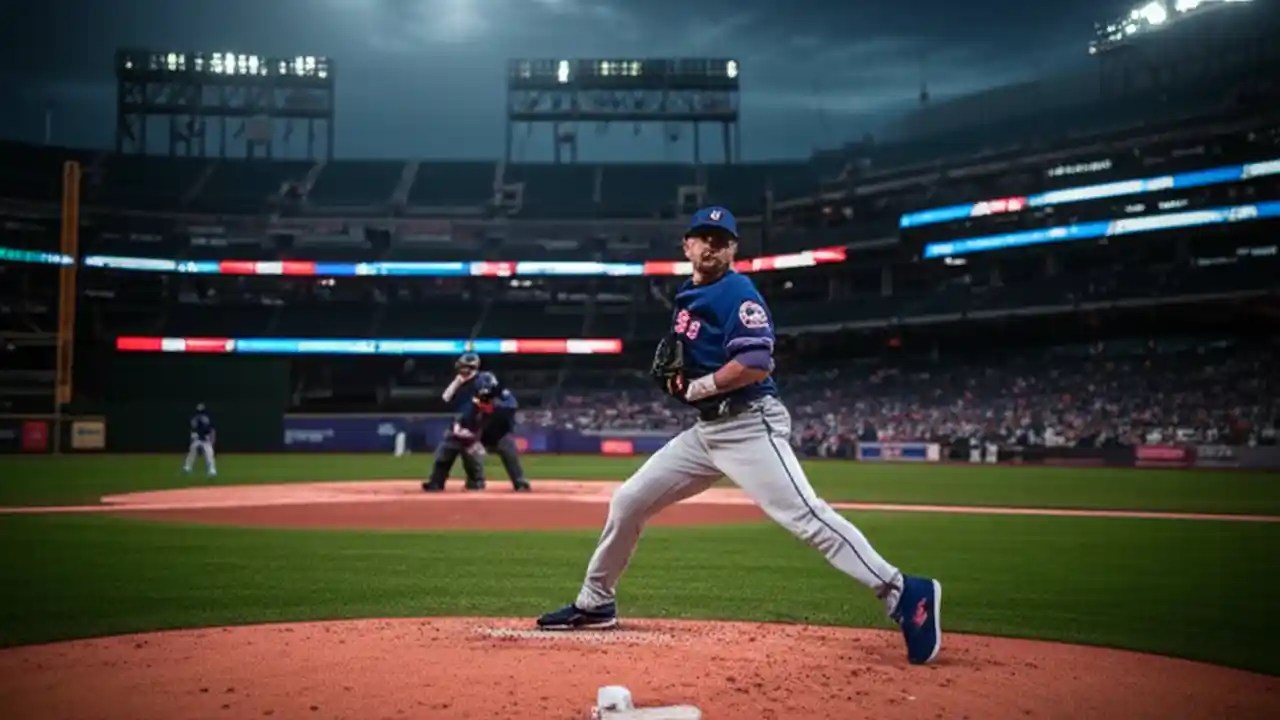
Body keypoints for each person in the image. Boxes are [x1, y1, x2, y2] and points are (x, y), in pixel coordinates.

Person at [535, 206, 943, 665]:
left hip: (750, 424)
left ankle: (904, 592)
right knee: (629, 500)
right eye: (701, 237)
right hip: (708, 431)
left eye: (720, 239)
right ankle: (596, 603)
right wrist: (684, 383)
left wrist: (700, 385)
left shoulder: (737, 293)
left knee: (807, 517)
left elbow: (755, 362)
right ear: (686, 245)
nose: (709, 246)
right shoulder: (688, 294)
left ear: (732, 249)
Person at [423, 372, 502, 491]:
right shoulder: (469, 396)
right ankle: (436, 482)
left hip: (473, 435)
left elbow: (487, 420)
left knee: (473, 461)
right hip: (458, 430)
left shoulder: (494, 402)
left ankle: (476, 482)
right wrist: (458, 426)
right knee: (444, 456)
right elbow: (452, 404)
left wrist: (477, 437)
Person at [182, 403, 217, 477]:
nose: (200, 413)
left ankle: (211, 470)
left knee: (209, 454)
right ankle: (188, 467)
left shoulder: (208, 419)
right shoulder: (194, 419)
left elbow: (212, 430)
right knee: (192, 452)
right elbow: (193, 430)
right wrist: (192, 439)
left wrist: (212, 440)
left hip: (206, 439)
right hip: (197, 438)